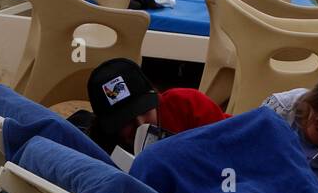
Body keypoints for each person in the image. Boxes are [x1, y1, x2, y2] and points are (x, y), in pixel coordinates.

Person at [84, 58, 228, 154]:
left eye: (145, 110)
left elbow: (227, 149)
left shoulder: (188, 105)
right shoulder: (103, 149)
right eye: (126, 121)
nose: (140, 125)